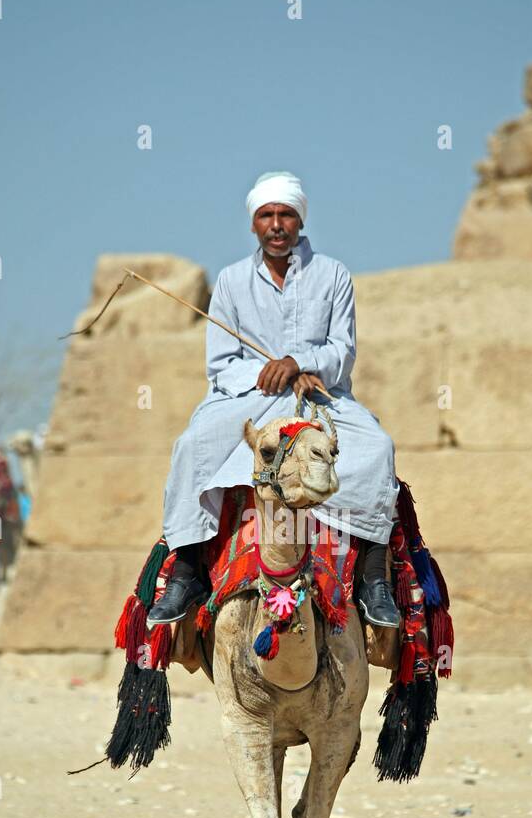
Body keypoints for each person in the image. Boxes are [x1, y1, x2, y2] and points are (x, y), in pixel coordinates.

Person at [149, 171, 401, 628]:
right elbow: (221, 365)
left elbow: (342, 350)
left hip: (318, 396)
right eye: (267, 215)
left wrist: (299, 363)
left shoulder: (334, 275)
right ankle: (186, 573)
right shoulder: (230, 282)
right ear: (253, 224)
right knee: (191, 447)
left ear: (300, 220)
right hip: (248, 398)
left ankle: (372, 581)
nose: (277, 224)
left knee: (378, 448)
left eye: (286, 214)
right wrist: (269, 372)